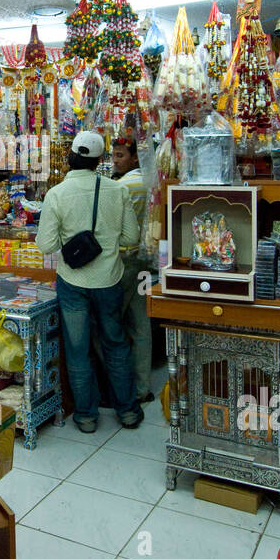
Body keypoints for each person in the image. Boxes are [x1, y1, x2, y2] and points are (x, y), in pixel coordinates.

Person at [36, 130, 143, 432]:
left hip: (72, 282)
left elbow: (45, 245)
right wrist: (108, 243)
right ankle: (128, 411)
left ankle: (85, 415)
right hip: (109, 279)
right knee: (116, 344)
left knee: (78, 348)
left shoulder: (56, 194)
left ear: (71, 156)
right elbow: (132, 237)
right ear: (99, 160)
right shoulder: (116, 190)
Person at [111, 135, 155, 403]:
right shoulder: (151, 182)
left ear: (135, 157)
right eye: (113, 156)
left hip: (125, 262)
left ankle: (119, 388)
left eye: (120, 156)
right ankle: (142, 387)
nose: (115, 161)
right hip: (145, 261)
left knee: (113, 323)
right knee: (140, 323)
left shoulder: (123, 186)